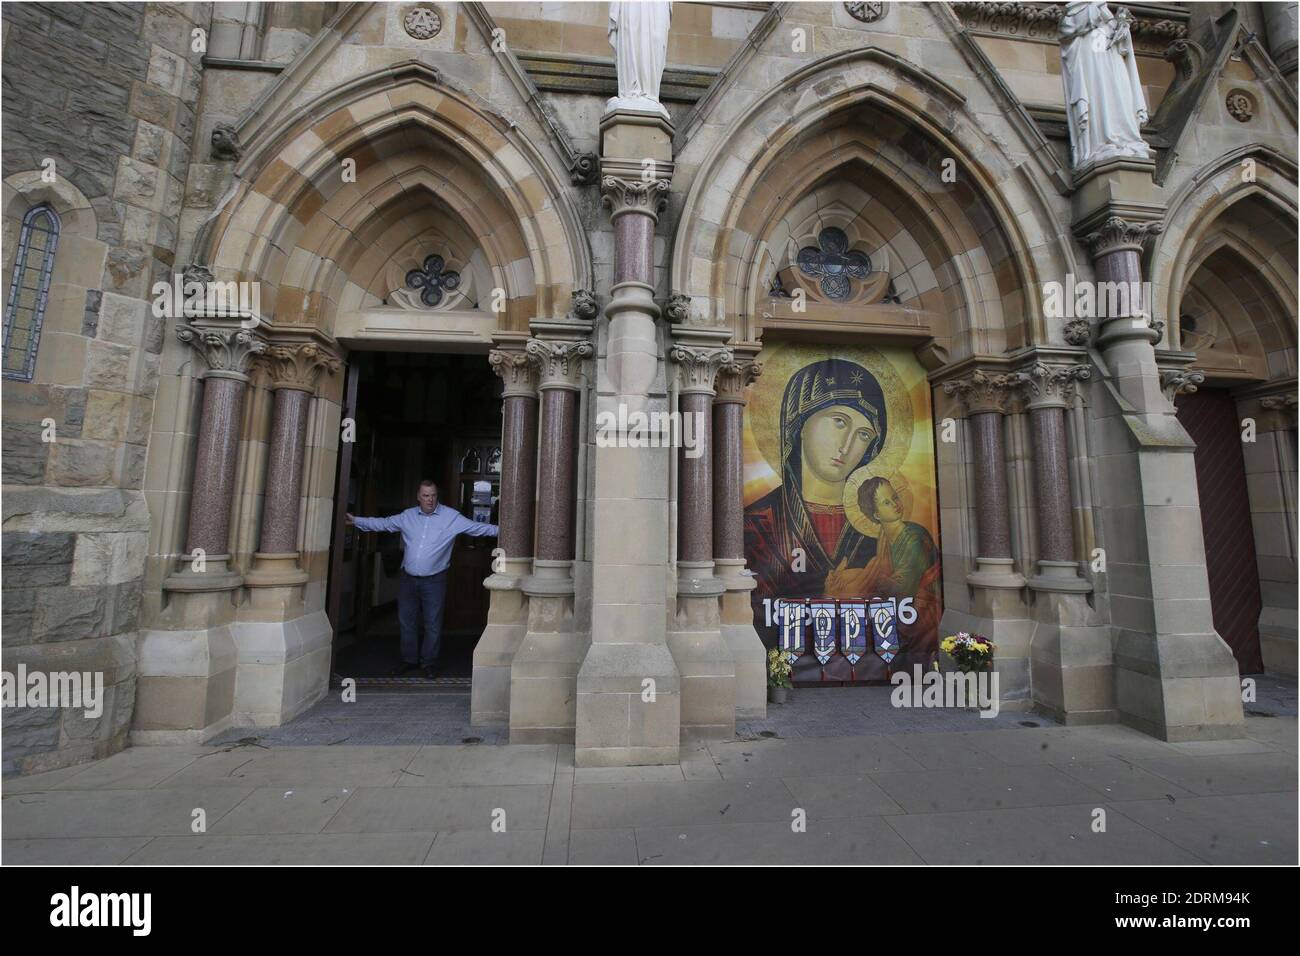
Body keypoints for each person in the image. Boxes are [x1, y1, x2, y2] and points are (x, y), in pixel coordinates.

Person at [743, 358, 887, 681]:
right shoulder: (754, 525)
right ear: (801, 423)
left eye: (863, 434)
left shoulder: (884, 530)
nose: (848, 446)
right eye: (839, 421)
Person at [346, 479, 498, 679]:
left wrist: (511, 531)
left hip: (434, 580)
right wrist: (356, 520)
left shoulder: (451, 517)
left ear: (437, 496)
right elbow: (382, 524)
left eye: (433, 495)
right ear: (418, 497)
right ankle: (409, 661)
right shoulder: (407, 516)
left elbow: (480, 528)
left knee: (433, 624)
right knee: (406, 622)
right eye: (425, 496)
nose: (430, 500)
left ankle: (429, 663)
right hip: (408, 580)